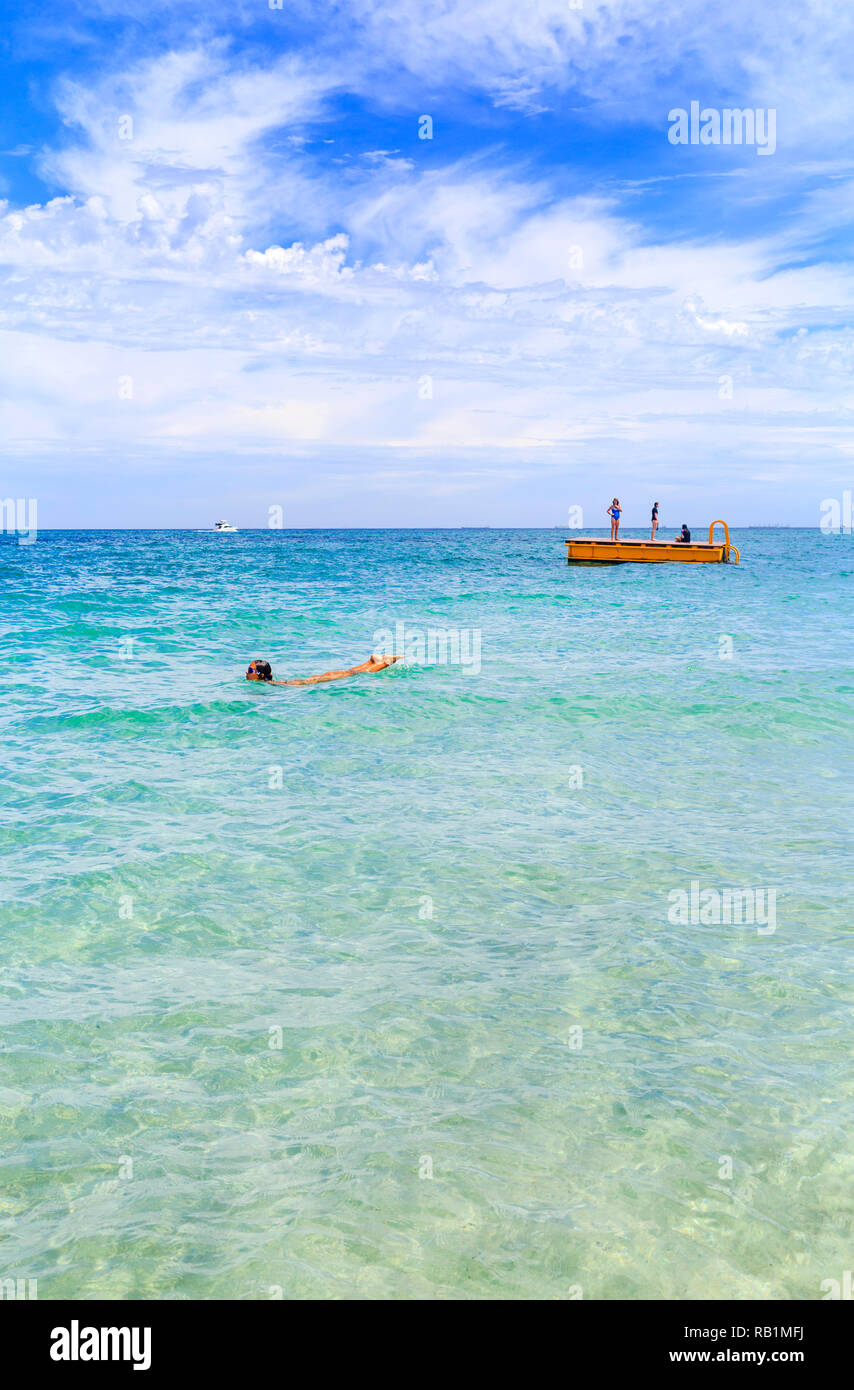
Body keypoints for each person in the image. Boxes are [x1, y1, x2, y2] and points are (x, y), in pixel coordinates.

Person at [246, 654, 401, 687]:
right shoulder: (269, 682)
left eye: (249, 669)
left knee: (354, 673)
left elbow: (290, 685)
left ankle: (386, 662)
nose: (246, 672)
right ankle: (371, 661)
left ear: (259, 675)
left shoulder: (270, 683)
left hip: (311, 681)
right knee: (349, 671)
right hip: (312, 679)